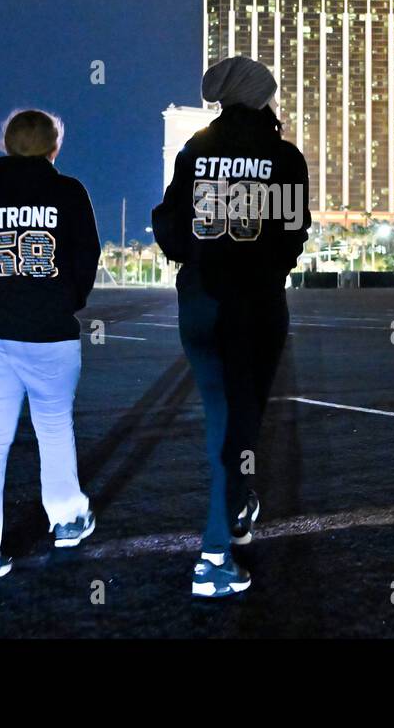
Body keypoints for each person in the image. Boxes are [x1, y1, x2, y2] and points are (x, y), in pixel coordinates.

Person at [152, 56, 310, 598]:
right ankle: (214, 557)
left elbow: (170, 225)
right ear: (260, 96)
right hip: (257, 303)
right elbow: (293, 232)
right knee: (239, 422)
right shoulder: (283, 156)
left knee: (225, 414)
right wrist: (264, 268)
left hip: (201, 301)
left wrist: (198, 260)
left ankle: (239, 507)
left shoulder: (195, 150)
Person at [0, 108, 102, 585]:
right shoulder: (68, 192)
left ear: (7, 145)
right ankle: (68, 518)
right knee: (54, 428)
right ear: (54, 147)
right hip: (49, 333)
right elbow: (86, 255)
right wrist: (64, 300)